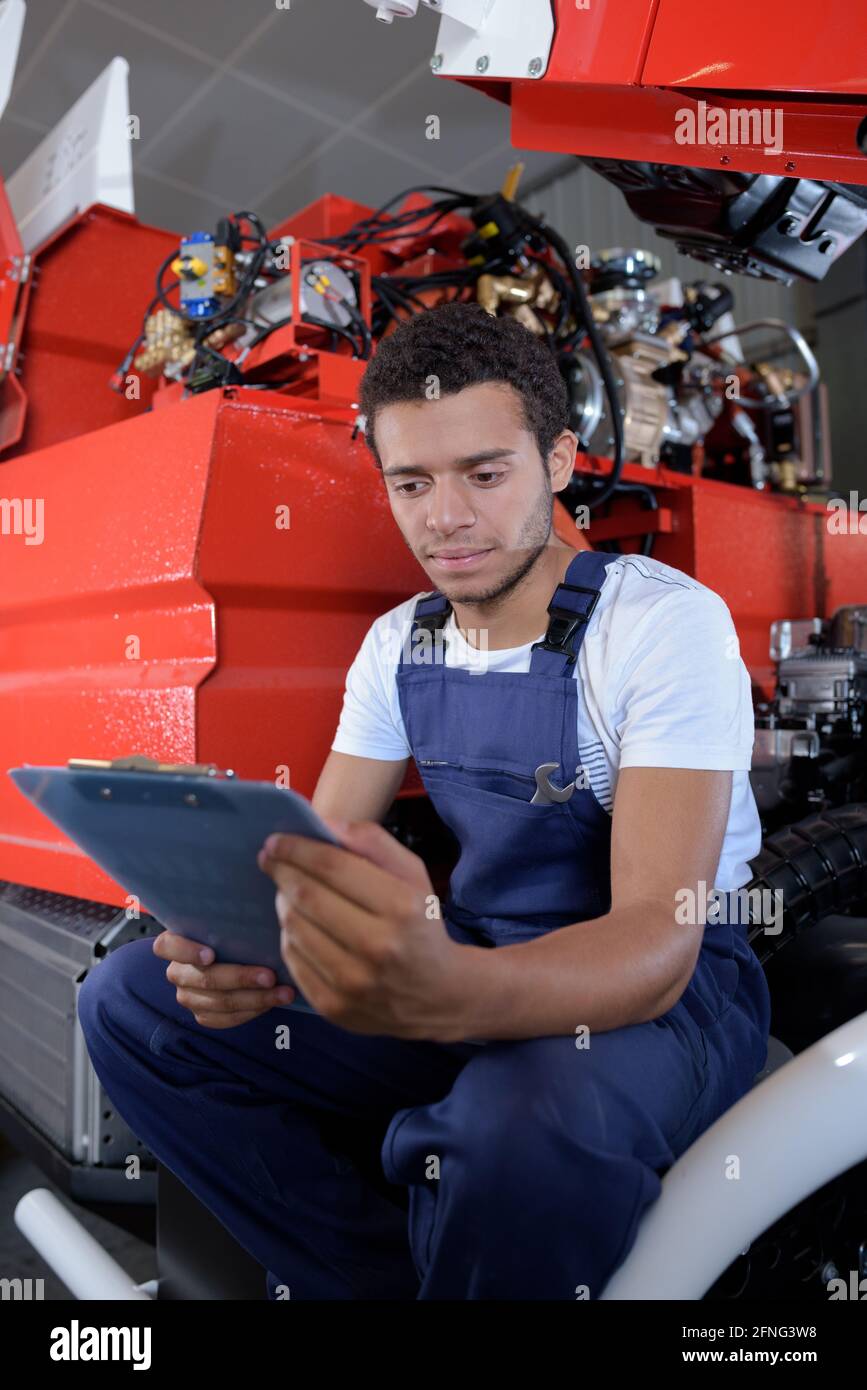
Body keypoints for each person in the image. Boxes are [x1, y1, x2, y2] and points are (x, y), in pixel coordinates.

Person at [78, 302, 770, 1300]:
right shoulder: (401, 643)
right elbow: (319, 860)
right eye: (412, 482)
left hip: (668, 996)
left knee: (513, 1131)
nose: (445, 517)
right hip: (475, 957)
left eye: (485, 474)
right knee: (131, 1003)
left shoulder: (663, 628)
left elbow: (656, 950)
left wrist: (444, 992)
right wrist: (246, 950)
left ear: (561, 461)